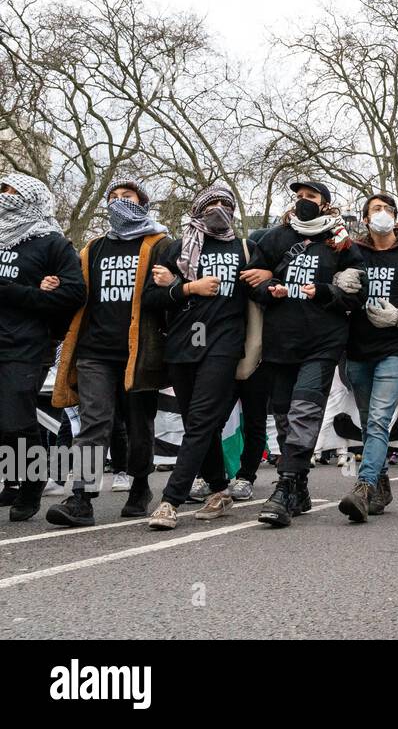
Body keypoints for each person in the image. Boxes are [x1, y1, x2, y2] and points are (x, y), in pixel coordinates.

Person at [242, 181, 364, 527]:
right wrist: (271, 289)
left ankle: (285, 486)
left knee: (304, 413)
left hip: (322, 343)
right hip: (280, 343)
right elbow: (251, 280)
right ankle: (302, 488)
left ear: (325, 204)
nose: (302, 201)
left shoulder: (341, 243)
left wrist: (324, 291)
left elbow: (356, 294)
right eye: (298, 196)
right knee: (282, 416)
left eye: (310, 197)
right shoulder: (275, 238)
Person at [48, 179, 169, 527]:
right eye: (112, 198)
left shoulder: (159, 244)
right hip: (95, 351)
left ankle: (140, 486)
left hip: (140, 352)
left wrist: (171, 283)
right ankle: (81, 498)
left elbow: (173, 293)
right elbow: (77, 293)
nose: (118, 203)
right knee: (93, 423)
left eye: (126, 198)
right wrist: (56, 286)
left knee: (138, 424)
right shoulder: (94, 247)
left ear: (143, 204)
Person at [141, 185, 251, 529]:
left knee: (203, 420)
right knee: (195, 424)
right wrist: (187, 286)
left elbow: (260, 287)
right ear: (198, 209)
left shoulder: (244, 248)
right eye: (212, 204)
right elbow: (150, 299)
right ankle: (219, 488)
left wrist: (266, 281)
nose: (219, 209)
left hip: (224, 343)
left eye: (225, 204)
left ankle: (170, 500)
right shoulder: (177, 249)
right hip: (183, 344)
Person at [335, 193, 398, 522]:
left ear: (395, 216)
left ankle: (363, 488)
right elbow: (342, 297)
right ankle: (381, 488)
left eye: (387, 209)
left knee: (379, 420)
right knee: (368, 424)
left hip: (395, 350)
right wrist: (339, 282)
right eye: (375, 210)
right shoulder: (354, 253)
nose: (382, 214)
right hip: (358, 350)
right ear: (365, 219)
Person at [0, 174, 86, 521]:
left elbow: (73, 294)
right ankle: (13, 480)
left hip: (26, 345)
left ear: (31, 198)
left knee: (16, 418)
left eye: (11, 191)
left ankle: (33, 482)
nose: (4, 196)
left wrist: (15, 292)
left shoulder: (52, 243)